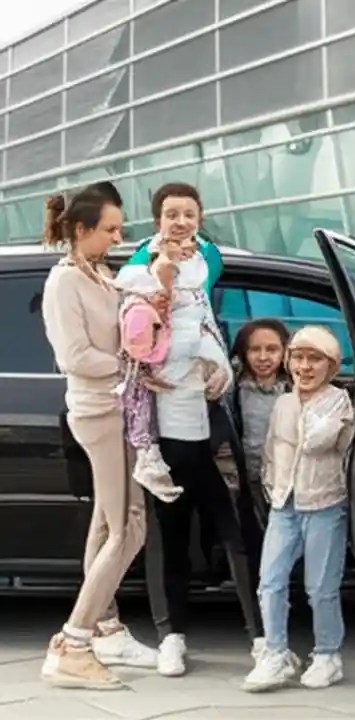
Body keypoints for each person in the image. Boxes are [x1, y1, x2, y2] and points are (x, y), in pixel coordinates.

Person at [116, 183, 265, 677]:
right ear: (156, 219)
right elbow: (135, 318)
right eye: (171, 214)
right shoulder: (140, 263)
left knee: (235, 525)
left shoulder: (209, 258)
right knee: (168, 532)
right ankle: (170, 637)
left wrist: (216, 366)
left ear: (201, 218)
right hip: (162, 417)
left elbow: (201, 313)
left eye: (189, 214)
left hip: (208, 409)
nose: (180, 222)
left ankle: (262, 637)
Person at [39, 187, 158, 689]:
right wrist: (133, 366)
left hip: (118, 410)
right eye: (109, 229)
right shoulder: (64, 282)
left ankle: (105, 629)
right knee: (129, 527)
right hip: (99, 413)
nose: (117, 237)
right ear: (81, 231)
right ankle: (75, 641)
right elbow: (74, 356)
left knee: (107, 524)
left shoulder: (102, 276)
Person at [242, 326, 354, 692]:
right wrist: (271, 487)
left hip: (324, 503)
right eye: (298, 358)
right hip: (284, 504)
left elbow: (317, 440)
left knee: (321, 587)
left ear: (331, 366)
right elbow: (273, 449)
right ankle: (275, 653)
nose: (304, 367)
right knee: (270, 582)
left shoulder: (339, 401)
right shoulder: (284, 402)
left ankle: (327, 654)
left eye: (314, 359)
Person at [116, 234, 226, 503]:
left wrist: (221, 369)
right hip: (160, 422)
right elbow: (137, 353)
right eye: (166, 273)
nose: (171, 285)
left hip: (195, 418)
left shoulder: (192, 308)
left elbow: (208, 341)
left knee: (203, 494)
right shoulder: (140, 308)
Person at [229, 319, 292, 527]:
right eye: (255, 349)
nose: (263, 357)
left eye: (272, 349)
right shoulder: (235, 389)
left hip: (286, 481)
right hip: (248, 479)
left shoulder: (293, 390)